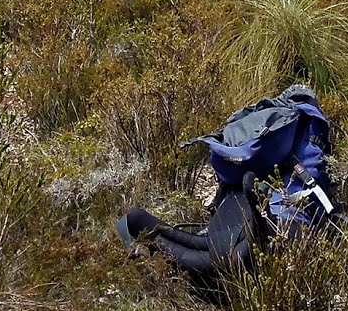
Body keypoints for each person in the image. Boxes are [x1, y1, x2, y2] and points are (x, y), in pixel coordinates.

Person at [117, 85, 335, 292]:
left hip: (235, 208)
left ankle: (136, 221)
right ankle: (257, 229)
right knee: (217, 260)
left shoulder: (265, 127)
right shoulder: (310, 127)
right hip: (284, 222)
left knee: (202, 248)